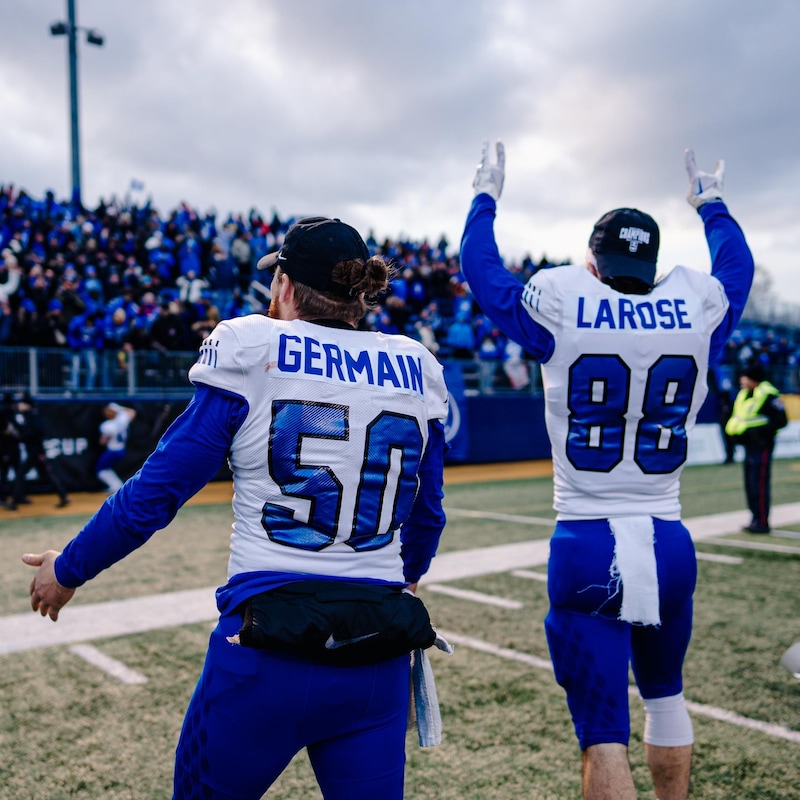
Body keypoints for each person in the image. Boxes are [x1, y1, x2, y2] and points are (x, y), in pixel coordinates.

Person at [23, 216, 449, 800]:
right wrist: (398, 580)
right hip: (375, 655)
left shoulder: (251, 345)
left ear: (286, 287)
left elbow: (157, 491)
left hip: (265, 652)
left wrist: (67, 568)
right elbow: (427, 514)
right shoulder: (416, 364)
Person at [460, 142, 754, 800]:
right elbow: (736, 269)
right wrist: (711, 203)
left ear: (592, 260)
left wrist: (484, 199)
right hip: (668, 537)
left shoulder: (563, 303)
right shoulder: (694, 310)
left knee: (602, 734)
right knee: (668, 702)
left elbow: (482, 273)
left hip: (589, 540)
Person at [724, 362, 787, 533]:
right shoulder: (744, 394)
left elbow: (781, 420)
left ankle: (762, 522)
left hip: (762, 445)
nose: (742, 380)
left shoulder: (770, 395)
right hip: (749, 446)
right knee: (750, 484)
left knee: (759, 484)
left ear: (754, 379)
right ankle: (754, 518)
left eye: (745, 377)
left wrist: (759, 432)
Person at [8, 392, 70, 508]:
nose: (18, 406)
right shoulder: (28, 415)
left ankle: (15, 501)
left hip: (36, 452)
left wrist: (21, 435)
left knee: (23, 474)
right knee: (47, 474)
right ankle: (63, 496)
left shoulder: (33, 415)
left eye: (21, 404)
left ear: (27, 405)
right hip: (34, 452)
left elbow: (37, 430)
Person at [96, 402, 137, 494]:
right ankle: (117, 486)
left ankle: (116, 486)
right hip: (121, 450)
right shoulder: (123, 419)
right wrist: (120, 408)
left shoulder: (108, 425)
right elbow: (132, 412)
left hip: (113, 450)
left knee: (100, 469)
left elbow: (102, 442)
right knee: (105, 468)